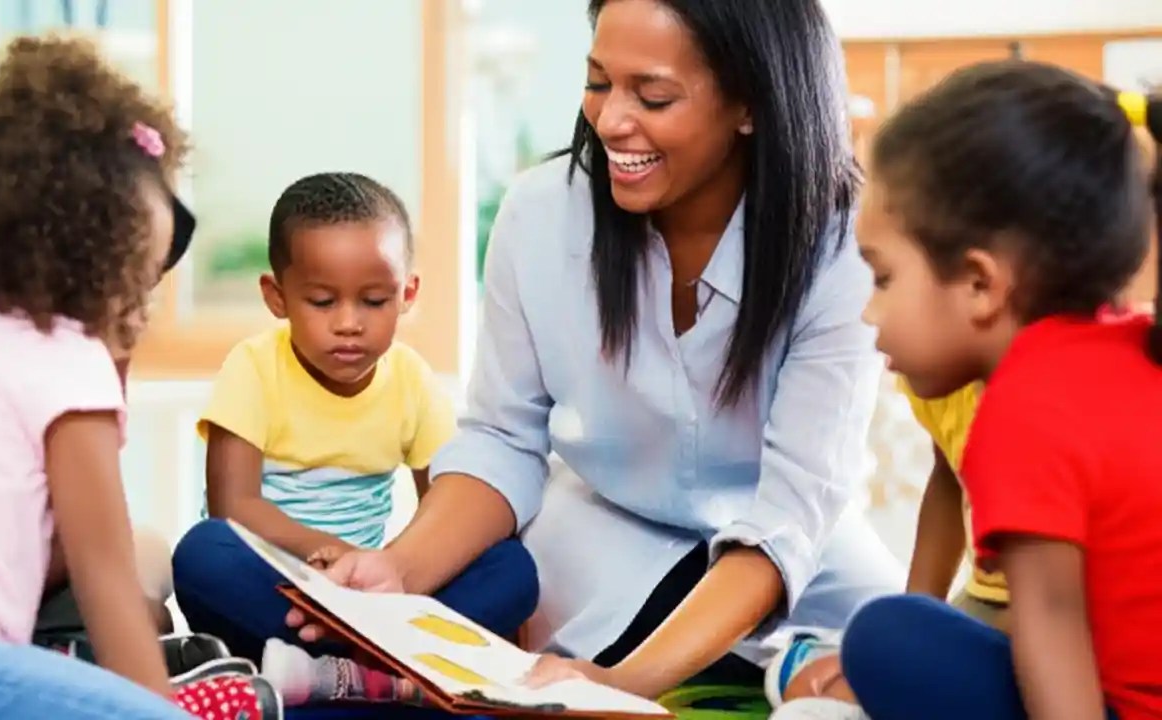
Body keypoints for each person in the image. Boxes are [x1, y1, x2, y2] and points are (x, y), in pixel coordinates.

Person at [297, 0, 902, 703]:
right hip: (598, 547)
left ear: (750, 104)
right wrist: (398, 566)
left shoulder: (841, 246)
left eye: (652, 95)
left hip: (798, 569)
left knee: (901, 671)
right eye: (596, 83)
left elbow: (789, 515)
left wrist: (615, 687)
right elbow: (502, 438)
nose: (610, 120)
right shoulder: (540, 214)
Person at [0, 36, 287, 719]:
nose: (144, 306)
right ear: (88, 253)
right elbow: (106, 582)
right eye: (139, 282)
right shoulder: (66, 361)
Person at [789, 63, 1162, 720]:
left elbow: (1049, 629)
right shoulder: (1131, 342)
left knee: (887, 636)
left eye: (881, 279)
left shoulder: (1020, 408)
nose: (868, 314)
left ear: (981, 285)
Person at [170, 174, 539, 708]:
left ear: (407, 293)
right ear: (277, 297)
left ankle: (326, 687)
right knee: (203, 552)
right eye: (322, 301)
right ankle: (385, 686)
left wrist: (390, 571)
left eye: (374, 301)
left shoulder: (411, 379)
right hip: (281, 591)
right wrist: (338, 558)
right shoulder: (252, 367)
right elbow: (235, 507)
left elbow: (448, 503)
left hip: (380, 601)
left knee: (513, 568)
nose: (349, 324)